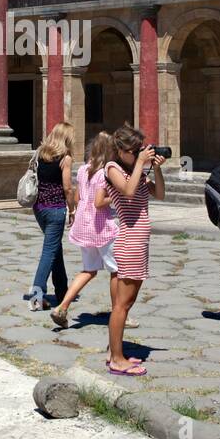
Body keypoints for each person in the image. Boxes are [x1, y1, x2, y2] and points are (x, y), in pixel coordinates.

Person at [102, 124, 165, 376]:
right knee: (122, 306)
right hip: (129, 242)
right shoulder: (113, 168)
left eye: (140, 149)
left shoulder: (134, 171)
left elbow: (159, 194)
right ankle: (117, 359)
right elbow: (127, 194)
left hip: (139, 243)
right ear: (120, 150)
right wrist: (140, 163)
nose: (138, 153)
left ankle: (114, 353)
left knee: (125, 304)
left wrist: (156, 169)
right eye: (133, 150)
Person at [50, 131, 117, 329]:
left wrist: (73, 210)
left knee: (89, 270)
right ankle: (119, 314)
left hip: (84, 225)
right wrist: (118, 195)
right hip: (102, 227)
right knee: (117, 271)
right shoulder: (105, 173)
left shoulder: (83, 170)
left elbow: (78, 197)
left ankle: (62, 306)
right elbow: (99, 202)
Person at [25, 122, 75, 311]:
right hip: (56, 209)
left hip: (39, 208)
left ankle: (62, 291)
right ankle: (37, 296)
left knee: (55, 248)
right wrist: (72, 210)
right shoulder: (65, 158)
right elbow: (67, 187)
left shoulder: (40, 152)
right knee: (49, 250)